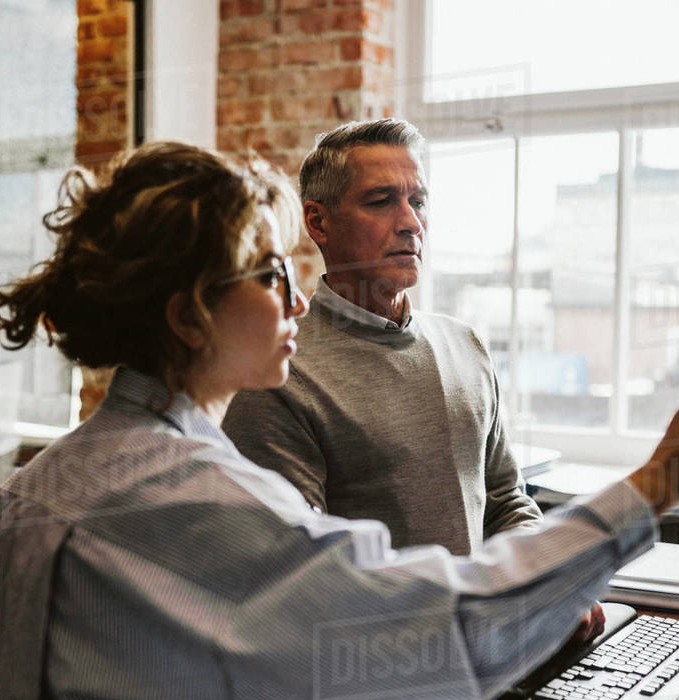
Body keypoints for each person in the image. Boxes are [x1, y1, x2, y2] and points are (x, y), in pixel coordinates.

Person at [0, 141, 679, 700]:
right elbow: (455, 627)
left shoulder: (32, 491)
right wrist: (661, 479)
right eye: (268, 271)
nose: (295, 297)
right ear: (187, 315)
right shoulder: (179, 500)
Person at [223, 119, 541, 559]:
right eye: (381, 201)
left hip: (486, 620)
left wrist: (545, 575)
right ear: (318, 222)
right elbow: (301, 568)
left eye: (419, 201)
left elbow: (506, 503)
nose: (411, 223)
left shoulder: (465, 345)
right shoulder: (276, 372)